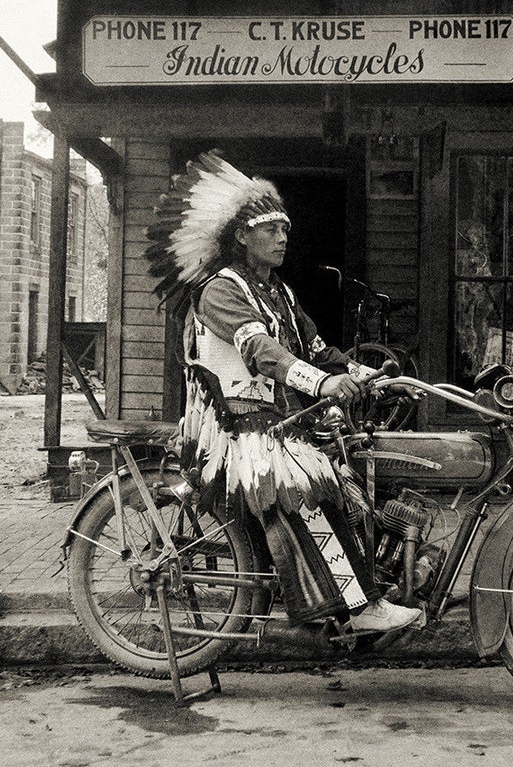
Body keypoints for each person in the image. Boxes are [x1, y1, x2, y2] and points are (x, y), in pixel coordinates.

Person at [147, 153, 422, 632]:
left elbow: (315, 348)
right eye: (270, 230)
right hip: (235, 426)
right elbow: (260, 350)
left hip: (276, 420)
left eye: (285, 230)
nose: (282, 239)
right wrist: (324, 384)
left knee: (355, 476)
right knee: (305, 487)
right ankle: (358, 608)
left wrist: (371, 375)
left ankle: (374, 578)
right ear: (241, 236)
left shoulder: (281, 293)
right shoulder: (220, 291)